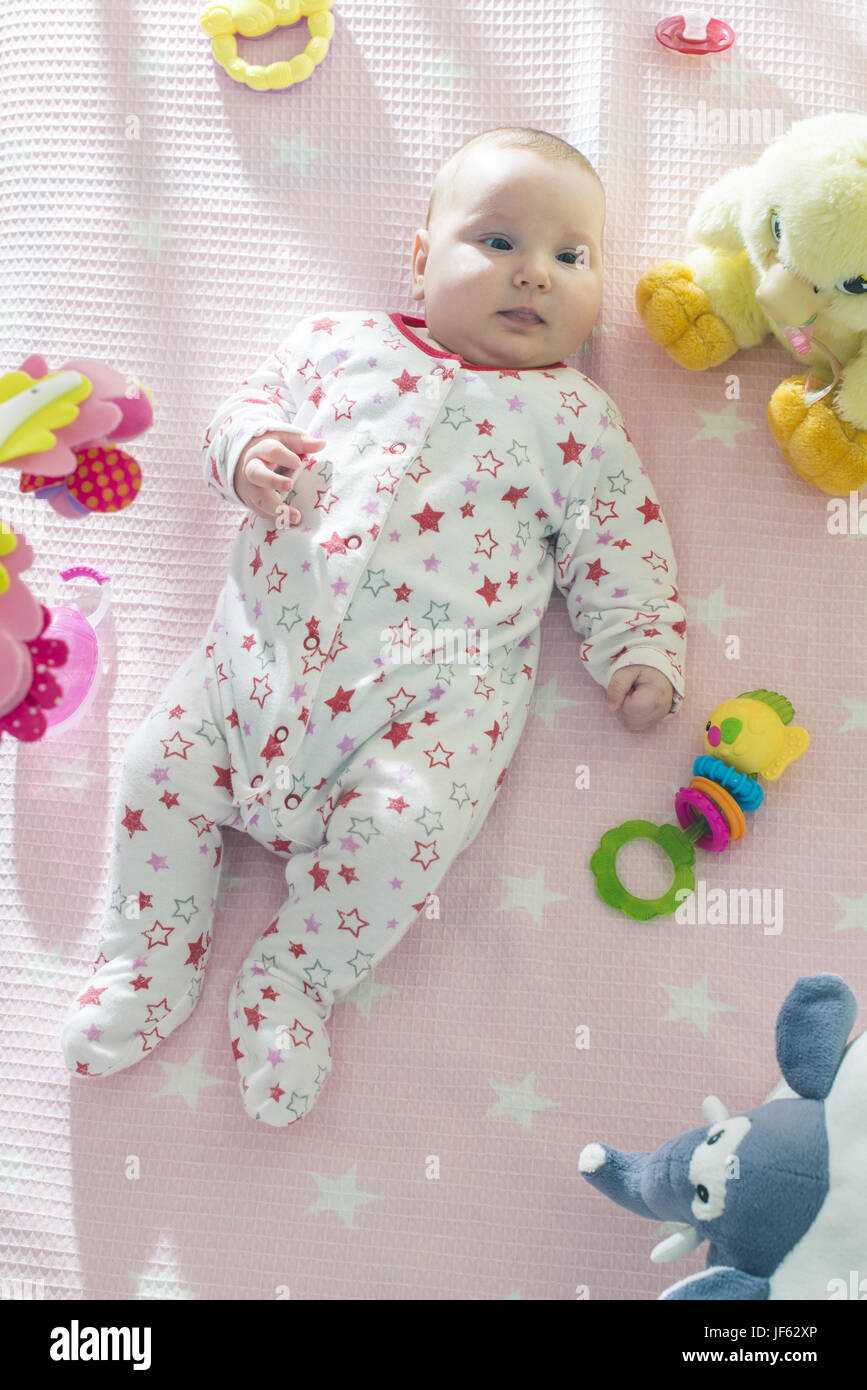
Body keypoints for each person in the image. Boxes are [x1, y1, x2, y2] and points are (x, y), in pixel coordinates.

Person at [61, 127, 686, 1127]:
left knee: (408, 836)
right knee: (155, 771)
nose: (535, 274)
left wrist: (642, 646)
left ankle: (293, 981)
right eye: (498, 242)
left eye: (572, 258)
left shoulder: (577, 422)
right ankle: (149, 955)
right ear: (420, 254)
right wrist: (249, 453)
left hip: (416, 724)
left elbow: (621, 543)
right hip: (244, 676)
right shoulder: (333, 346)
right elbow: (240, 412)